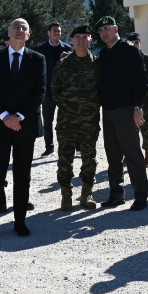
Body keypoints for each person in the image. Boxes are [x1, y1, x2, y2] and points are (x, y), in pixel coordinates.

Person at [0, 18, 46, 240]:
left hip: (24, 127)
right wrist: (4, 116)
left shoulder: (38, 59)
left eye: (24, 28)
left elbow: (39, 93)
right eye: (16, 27)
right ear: (8, 33)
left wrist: (17, 116)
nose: (20, 30)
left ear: (29, 35)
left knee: (22, 175)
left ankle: (20, 222)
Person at [95, 16, 148, 210]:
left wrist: (137, 107)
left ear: (116, 29)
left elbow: (141, 81)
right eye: (101, 31)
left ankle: (141, 195)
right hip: (108, 111)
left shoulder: (129, 50)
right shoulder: (104, 53)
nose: (104, 33)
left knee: (133, 154)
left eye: (108, 29)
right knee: (113, 155)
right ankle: (116, 194)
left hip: (127, 110)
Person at [51, 24, 101, 211]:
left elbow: (101, 89)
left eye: (85, 37)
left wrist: (93, 106)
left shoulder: (97, 64)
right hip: (67, 120)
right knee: (65, 157)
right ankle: (66, 193)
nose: (81, 40)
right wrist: (66, 106)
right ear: (71, 40)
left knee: (89, 157)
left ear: (90, 40)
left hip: (90, 119)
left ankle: (86, 192)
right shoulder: (63, 64)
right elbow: (54, 89)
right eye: (77, 37)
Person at [35, 22, 72, 157]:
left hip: (64, 91)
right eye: (54, 31)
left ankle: (71, 146)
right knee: (48, 121)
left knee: (68, 120)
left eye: (59, 31)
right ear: (48, 33)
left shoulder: (68, 49)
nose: (57, 33)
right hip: (48, 91)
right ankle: (49, 147)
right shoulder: (40, 49)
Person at [127, 32, 148, 168]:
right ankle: (129, 157)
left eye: (136, 42)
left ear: (140, 43)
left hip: (145, 102)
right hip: (128, 102)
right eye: (130, 43)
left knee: (146, 130)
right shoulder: (124, 60)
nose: (134, 45)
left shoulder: (147, 59)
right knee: (128, 132)